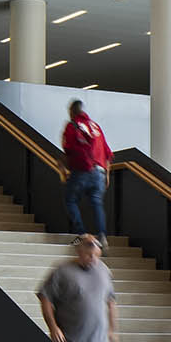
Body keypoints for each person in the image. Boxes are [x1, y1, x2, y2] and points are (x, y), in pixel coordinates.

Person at [37, 235, 117, 342]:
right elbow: (45, 298)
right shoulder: (62, 271)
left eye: (96, 255)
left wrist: (112, 329)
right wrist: (53, 327)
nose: (93, 259)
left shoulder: (104, 270)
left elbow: (111, 301)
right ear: (79, 251)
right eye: (89, 255)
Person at [60, 98, 111, 244]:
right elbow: (107, 152)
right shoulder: (96, 127)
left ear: (71, 111)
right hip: (100, 172)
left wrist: (63, 167)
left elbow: (68, 149)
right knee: (96, 202)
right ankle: (102, 236)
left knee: (70, 200)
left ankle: (81, 235)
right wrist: (107, 175)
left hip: (82, 170)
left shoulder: (72, 126)